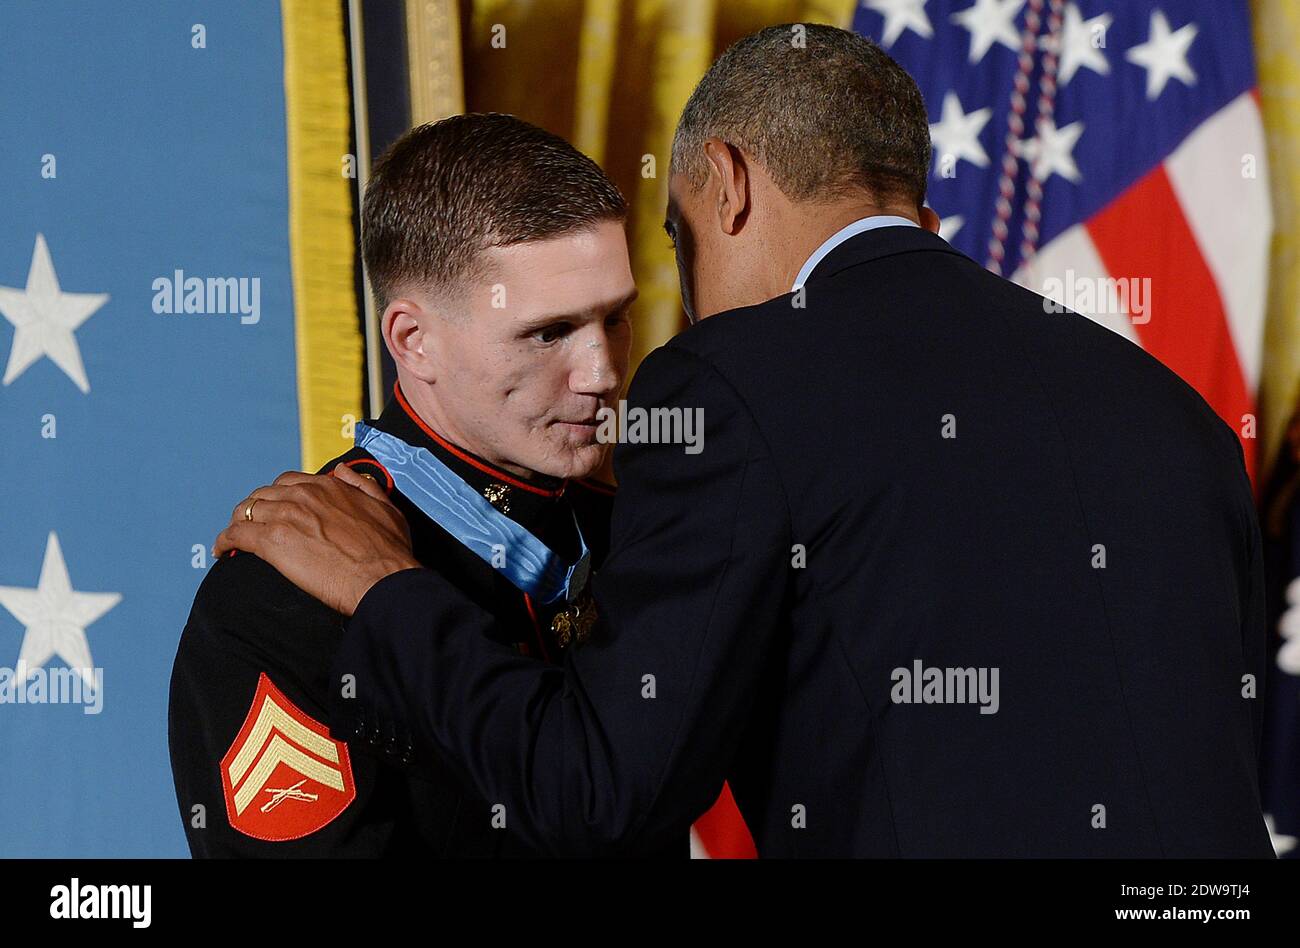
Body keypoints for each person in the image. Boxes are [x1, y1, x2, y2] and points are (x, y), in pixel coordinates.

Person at [217, 25, 1275, 857]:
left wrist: (385, 589)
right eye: (547, 330)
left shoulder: (735, 383)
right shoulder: (1174, 415)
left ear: (723, 181)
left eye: (670, 248)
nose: (608, 370)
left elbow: (599, 792)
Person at [168, 112, 683, 857]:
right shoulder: (278, 597)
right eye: (549, 333)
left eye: (615, 320)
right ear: (415, 340)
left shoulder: (635, 526)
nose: (602, 374)